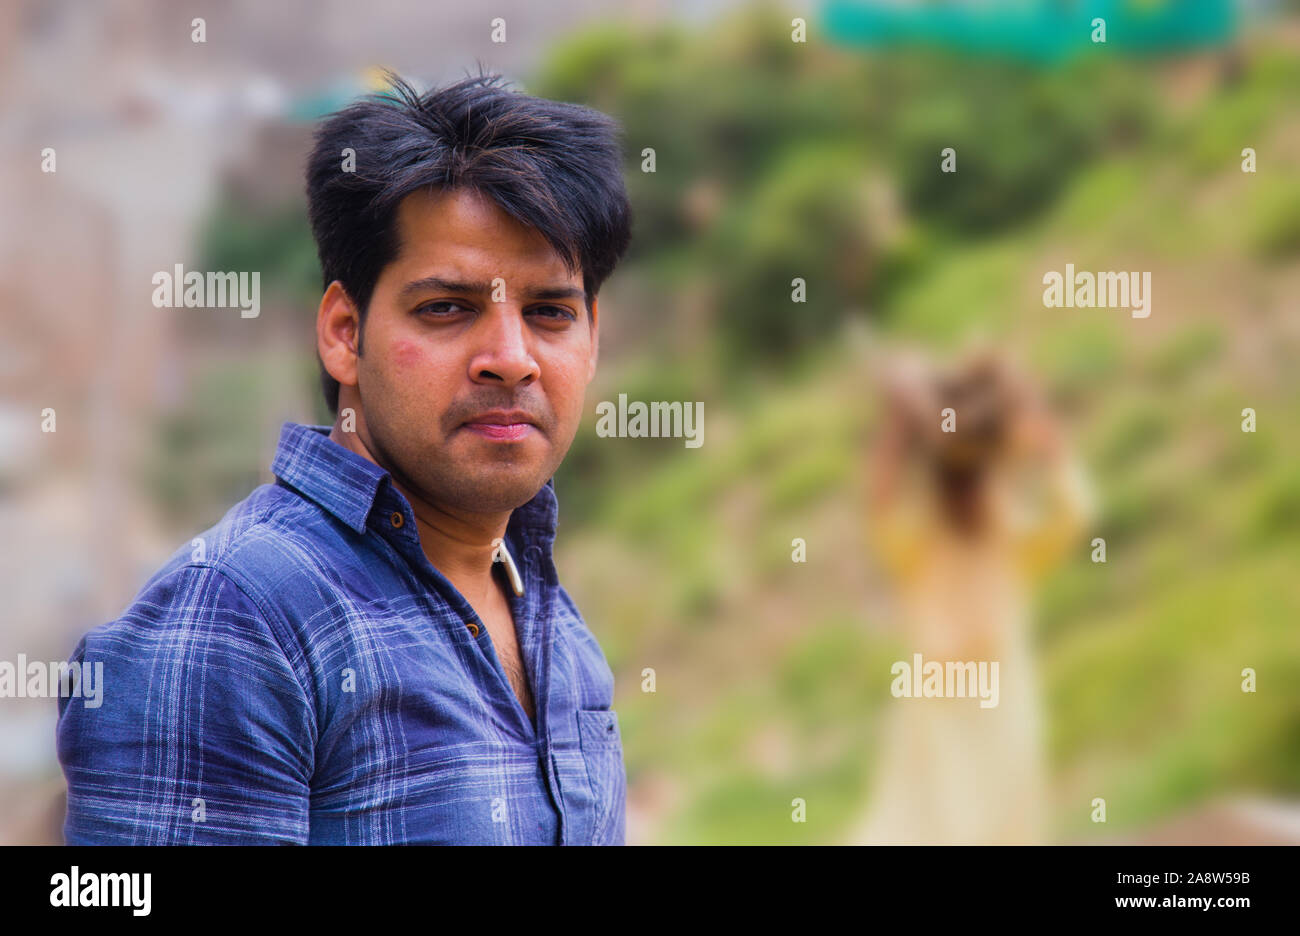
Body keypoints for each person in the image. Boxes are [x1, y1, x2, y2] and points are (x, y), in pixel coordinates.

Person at [56, 71, 633, 845]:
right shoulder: (236, 622)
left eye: (549, 313)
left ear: (592, 336)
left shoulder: (552, 625)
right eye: (447, 308)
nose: (510, 358)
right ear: (343, 332)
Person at [849, 346, 1093, 844]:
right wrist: (899, 422)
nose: (968, 496)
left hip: (1002, 715)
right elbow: (878, 503)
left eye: (973, 482)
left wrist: (1038, 425)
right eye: (957, 485)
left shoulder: (1010, 542)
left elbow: (1074, 510)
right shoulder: (919, 545)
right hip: (935, 727)